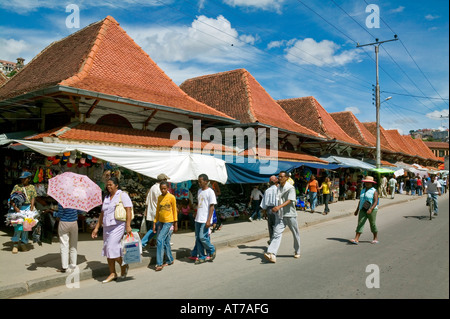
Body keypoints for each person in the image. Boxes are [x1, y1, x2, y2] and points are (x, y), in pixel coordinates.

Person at [91, 177, 133, 283]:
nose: (108, 186)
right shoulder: (106, 197)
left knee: (111, 247)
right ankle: (112, 273)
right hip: (106, 227)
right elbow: (102, 214)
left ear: (116, 185)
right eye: (107, 185)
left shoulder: (122, 195)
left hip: (118, 226)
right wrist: (96, 228)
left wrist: (128, 226)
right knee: (107, 249)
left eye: (111, 184)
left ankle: (123, 264)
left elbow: (128, 210)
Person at [264, 171, 301, 263]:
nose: (279, 178)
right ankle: (271, 253)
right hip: (281, 215)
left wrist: (278, 207)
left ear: (286, 178)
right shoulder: (278, 188)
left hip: (290, 214)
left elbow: (289, 200)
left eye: (281, 177)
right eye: (279, 176)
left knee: (295, 233)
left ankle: (297, 250)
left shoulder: (290, 188)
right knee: (276, 233)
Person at [10, 171, 37, 254]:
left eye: (24, 179)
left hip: (28, 208)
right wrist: (15, 207)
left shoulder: (32, 187)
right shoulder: (17, 187)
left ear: (28, 179)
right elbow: (11, 198)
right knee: (18, 227)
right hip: (19, 208)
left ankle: (23, 243)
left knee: (26, 227)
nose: (23, 180)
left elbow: (33, 197)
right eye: (22, 179)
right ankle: (15, 245)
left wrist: (32, 206)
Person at [153, 181, 178, 271]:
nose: (163, 190)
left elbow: (175, 211)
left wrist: (175, 224)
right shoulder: (159, 197)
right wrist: (155, 222)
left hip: (168, 222)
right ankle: (170, 259)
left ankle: (159, 263)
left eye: (164, 188)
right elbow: (157, 211)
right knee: (166, 241)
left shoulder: (171, 197)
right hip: (161, 222)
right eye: (161, 189)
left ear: (167, 188)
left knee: (159, 240)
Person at [193, 174, 217, 264]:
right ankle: (202, 256)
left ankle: (211, 249)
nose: (199, 183)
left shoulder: (210, 192)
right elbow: (199, 204)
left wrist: (209, 220)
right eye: (198, 181)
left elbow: (211, 207)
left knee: (202, 237)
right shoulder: (199, 191)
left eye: (201, 181)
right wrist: (196, 213)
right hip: (198, 218)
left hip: (205, 219)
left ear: (206, 181)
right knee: (198, 238)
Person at [142, 173, 169, 247]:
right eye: (166, 180)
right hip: (157, 212)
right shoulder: (159, 188)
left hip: (153, 211)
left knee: (155, 229)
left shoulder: (153, 187)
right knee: (155, 229)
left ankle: (154, 242)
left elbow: (147, 201)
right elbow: (162, 201)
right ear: (163, 180)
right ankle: (143, 243)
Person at [349, 176, 379, 245]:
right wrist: (357, 210)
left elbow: (376, 201)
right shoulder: (362, 190)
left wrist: (371, 209)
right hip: (362, 209)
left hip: (372, 210)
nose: (367, 183)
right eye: (366, 182)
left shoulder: (374, 191)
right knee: (360, 223)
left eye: (368, 182)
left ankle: (375, 238)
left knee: (372, 224)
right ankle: (356, 239)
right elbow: (360, 200)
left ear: (372, 183)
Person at [54, 203, 82, 273]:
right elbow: (80, 211)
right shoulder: (75, 200)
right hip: (74, 223)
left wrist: (52, 212)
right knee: (73, 244)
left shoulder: (62, 201)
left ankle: (65, 266)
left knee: (64, 245)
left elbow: (59, 214)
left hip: (64, 222)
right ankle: (73, 264)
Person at [260, 175, 279, 245]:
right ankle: (274, 240)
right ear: (275, 181)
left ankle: (272, 239)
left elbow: (264, 204)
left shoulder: (267, 191)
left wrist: (264, 213)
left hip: (269, 209)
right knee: (276, 226)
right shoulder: (278, 189)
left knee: (270, 226)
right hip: (277, 208)